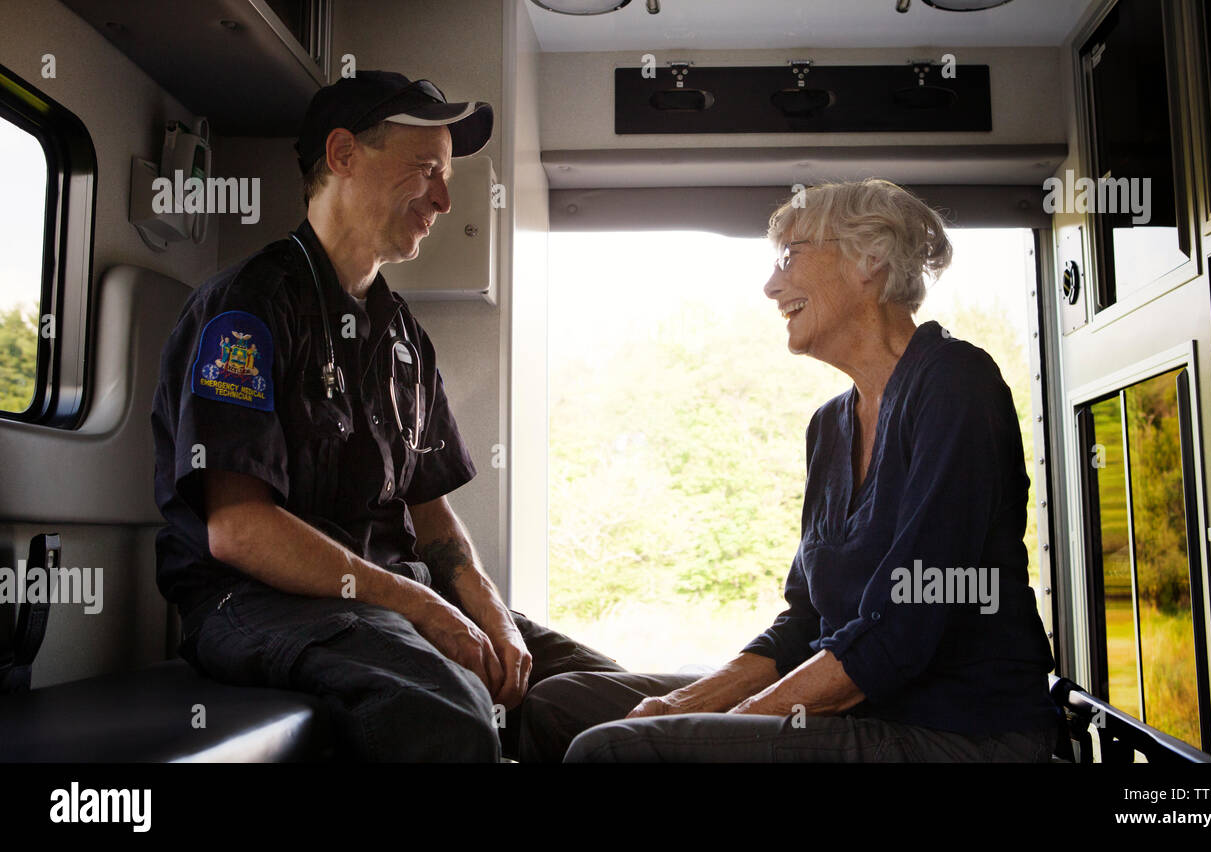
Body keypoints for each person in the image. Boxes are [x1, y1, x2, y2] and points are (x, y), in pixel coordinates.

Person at [152, 70, 620, 761]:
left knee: (607, 700)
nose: (444, 197)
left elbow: (427, 510)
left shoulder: (402, 334)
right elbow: (238, 530)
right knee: (449, 705)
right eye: (427, 170)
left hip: (391, 596)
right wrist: (421, 606)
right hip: (255, 603)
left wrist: (487, 609)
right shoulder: (246, 310)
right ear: (343, 155)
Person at [519, 178, 1059, 762]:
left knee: (612, 753)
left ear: (870, 260)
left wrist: (734, 720)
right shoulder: (829, 427)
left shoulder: (955, 383)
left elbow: (906, 625)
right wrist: (684, 705)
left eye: (789, 256)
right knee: (557, 705)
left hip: (960, 731)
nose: (771, 285)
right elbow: (805, 619)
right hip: (862, 713)